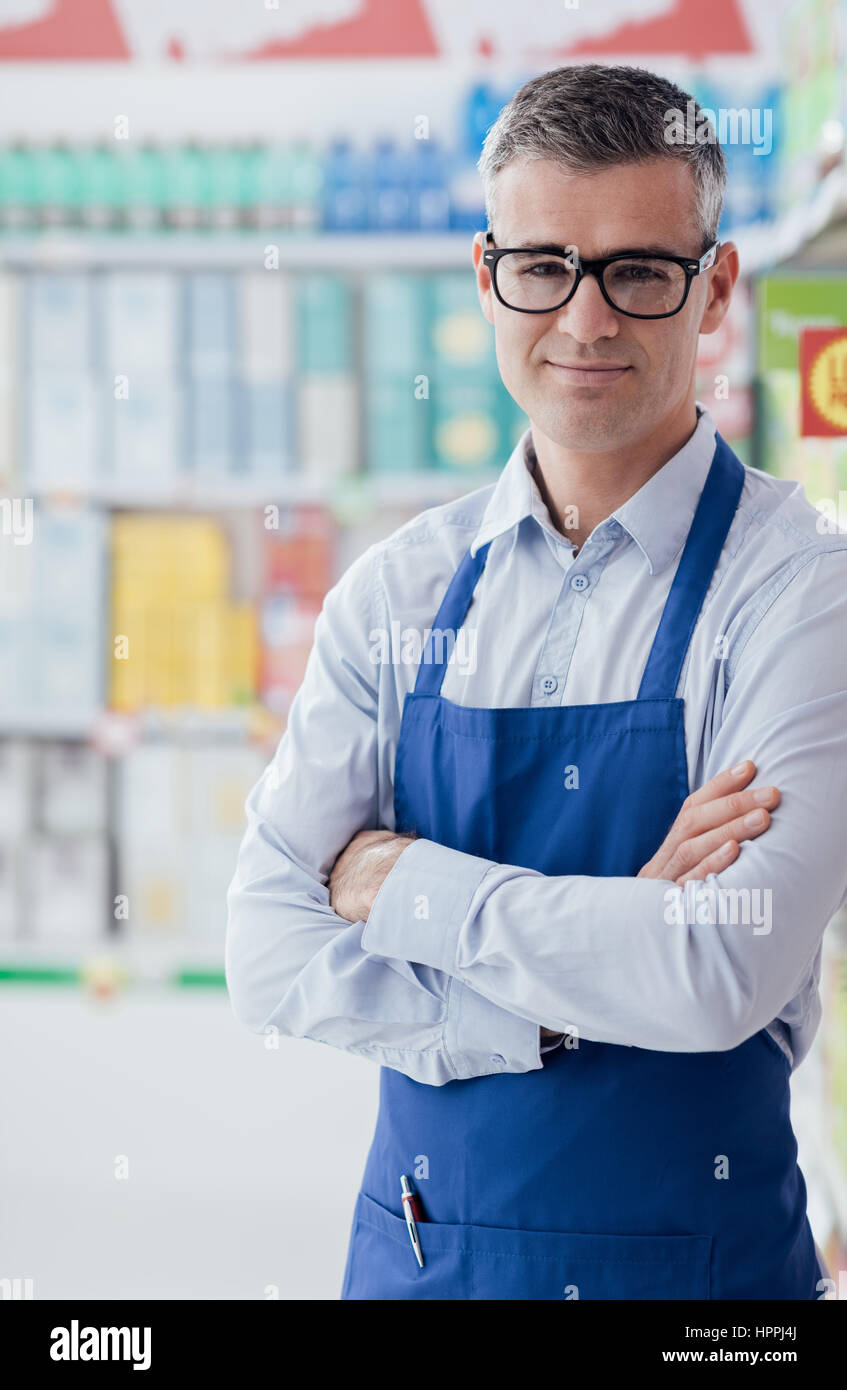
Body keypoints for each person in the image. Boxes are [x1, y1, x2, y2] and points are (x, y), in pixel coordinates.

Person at [226, 64, 847, 1300]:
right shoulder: (394, 595)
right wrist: (586, 972)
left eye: (637, 270)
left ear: (713, 287)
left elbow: (716, 968)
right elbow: (269, 953)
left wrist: (406, 885)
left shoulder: (802, 591)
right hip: (419, 1268)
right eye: (543, 267)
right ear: (484, 274)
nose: (585, 319)